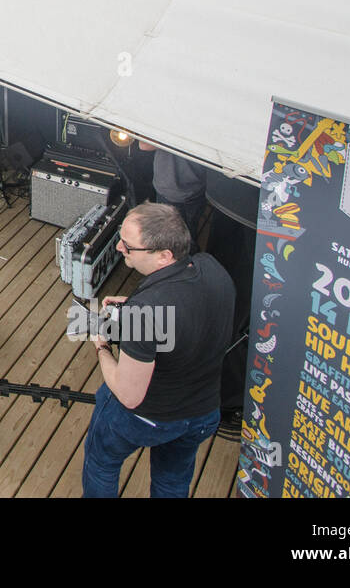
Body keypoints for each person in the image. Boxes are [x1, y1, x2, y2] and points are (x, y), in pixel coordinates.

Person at [82, 203, 235, 498]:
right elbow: (189, 309)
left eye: (128, 246)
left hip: (148, 418)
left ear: (164, 255)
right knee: (172, 482)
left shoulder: (146, 314)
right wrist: (132, 306)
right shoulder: (212, 268)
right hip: (203, 412)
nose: (119, 248)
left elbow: (129, 395)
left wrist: (102, 347)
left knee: (102, 463)